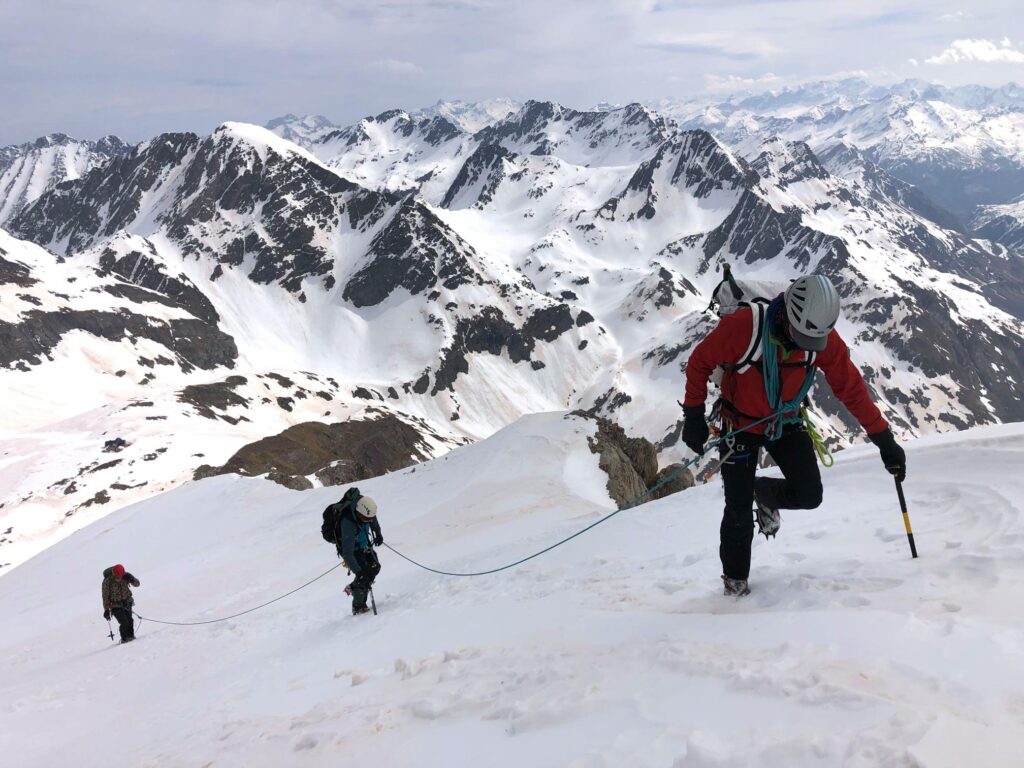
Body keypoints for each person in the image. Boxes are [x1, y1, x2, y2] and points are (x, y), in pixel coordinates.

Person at [682, 274, 906, 597]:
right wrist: (693, 413)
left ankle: (765, 493)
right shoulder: (745, 327)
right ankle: (735, 584)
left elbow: (850, 388)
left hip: (783, 419)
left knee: (809, 492)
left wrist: (884, 440)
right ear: (787, 316)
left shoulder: (821, 337)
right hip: (739, 422)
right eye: (801, 337)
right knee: (738, 511)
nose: (806, 347)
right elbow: (699, 362)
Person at [325, 489, 384, 615]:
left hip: (365, 544)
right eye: (366, 519)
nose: (369, 521)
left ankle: (353, 586)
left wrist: (378, 533)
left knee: (375, 567)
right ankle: (359, 607)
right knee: (364, 577)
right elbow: (347, 553)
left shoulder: (366, 510)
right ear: (359, 514)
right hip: (354, 551)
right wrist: (359, 572)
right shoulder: (348, 523)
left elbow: (373, 520)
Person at [102, 564, 141, 642]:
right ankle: (124, 639)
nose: (119, 578)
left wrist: (132, 579)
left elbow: (137, 584)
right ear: (113, 573)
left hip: (127, 602)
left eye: (120, 576)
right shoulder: (107, 582)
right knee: (124, 622)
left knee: (130, 621)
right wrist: (106, 610)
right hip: (115, 605)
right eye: (117, 576)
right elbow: (105, 597)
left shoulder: (125, 576)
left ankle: (131, 637)